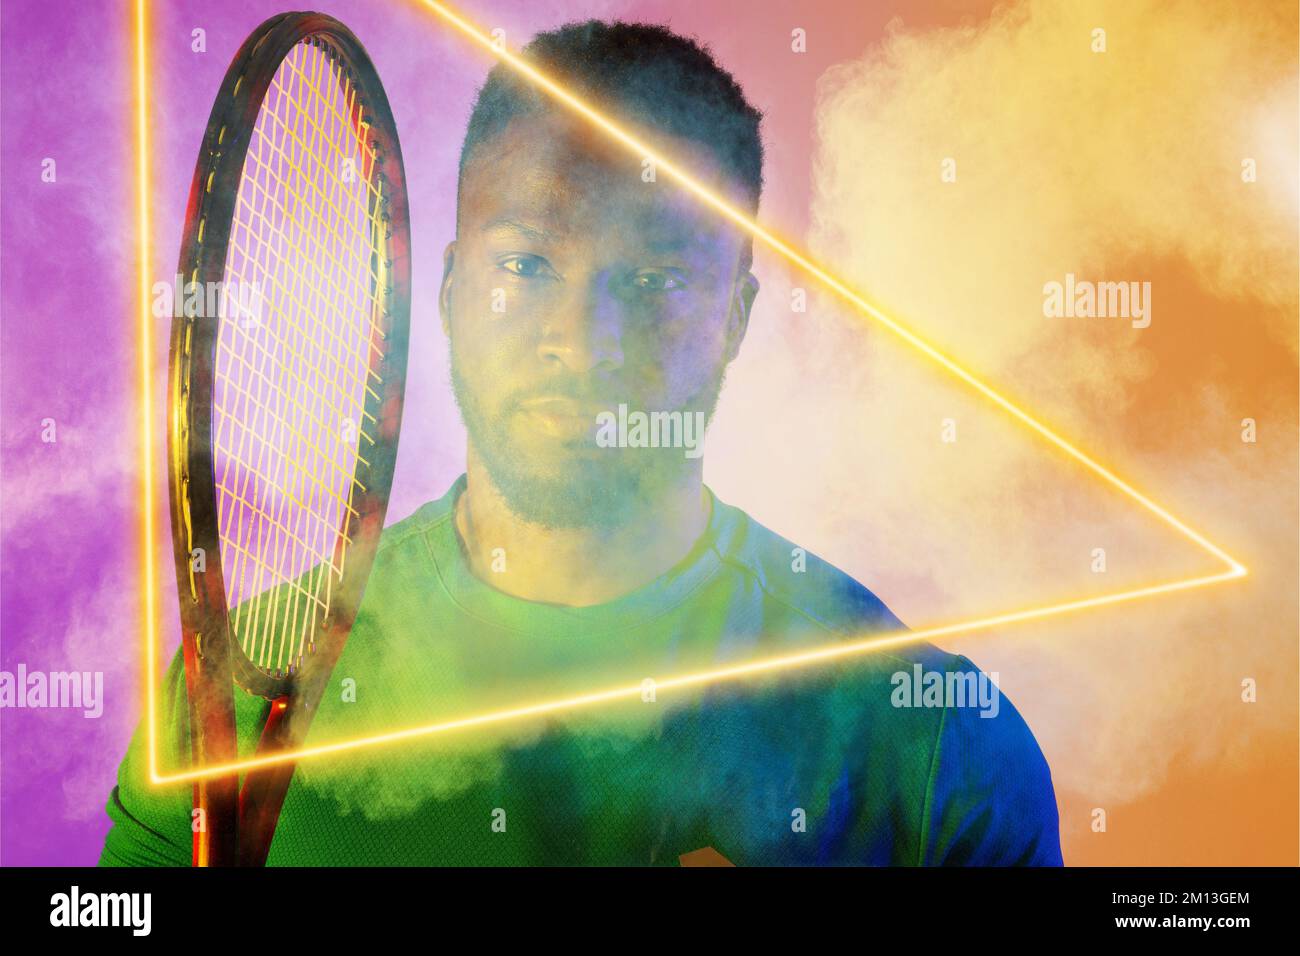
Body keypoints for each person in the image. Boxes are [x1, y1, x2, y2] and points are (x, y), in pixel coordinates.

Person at [100, 19, 1062, 866]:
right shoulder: (237, 691)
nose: (583, 341)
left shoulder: (927, 737)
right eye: (526, 263)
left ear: (735, 319)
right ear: (450, 292)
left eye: (653, 280)